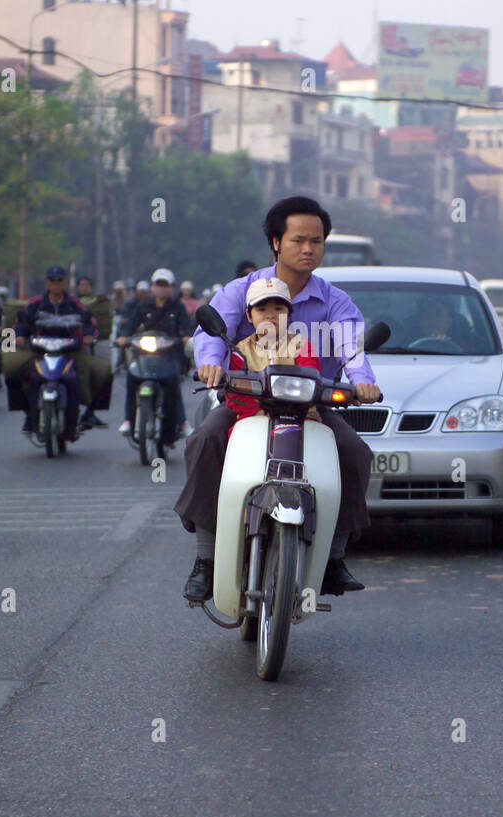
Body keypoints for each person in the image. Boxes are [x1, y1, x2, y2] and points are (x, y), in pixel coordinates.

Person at [176, 196, 380, 602]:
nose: (309, 249)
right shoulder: (243, 291)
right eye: (299, 240)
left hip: (311, 406)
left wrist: (362, 382)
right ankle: (206, 558)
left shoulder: (334, 301)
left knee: (355, 452)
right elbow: (209, 335)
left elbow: (351, 347)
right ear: (275, 242)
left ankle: (334, 556)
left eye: (317, 241)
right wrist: (212, 366)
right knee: (205, 440)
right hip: (244, 402)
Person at [224, 276, 322, 430]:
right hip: (252, 418)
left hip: (303, 417)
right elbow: (235, 392)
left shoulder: (302, 345)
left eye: (278, 309)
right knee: (216, 440)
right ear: (249, 316)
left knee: (348, 446)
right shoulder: (240, 351)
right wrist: (256, 411)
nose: (270, 315)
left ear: (289, 315)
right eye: (261, 309)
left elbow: (311, 378)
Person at [12, 266, 94, 436]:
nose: (56, 284)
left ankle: (78, 420)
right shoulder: (34, 304)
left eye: (59, 281)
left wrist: (88, 336)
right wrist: (19, 336)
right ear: (47, 283)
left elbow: (89, 323)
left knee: (79, 378)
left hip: (70, 352)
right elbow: (20, 323)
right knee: (23, 376)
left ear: (65, 283)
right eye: (52, 280)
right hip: (39, 351)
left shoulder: (75, 305)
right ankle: (30, 416)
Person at [116, 268, 192, 442]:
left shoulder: (177, 307)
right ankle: (128, 420)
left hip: (170, 354)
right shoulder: (143, 306)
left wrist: (186, 336)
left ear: (172, 288)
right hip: (144, 353)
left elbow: (187, 327)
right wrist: (124, 337)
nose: (162, 289)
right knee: (132, 377)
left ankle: (181, 422)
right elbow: (130, 325)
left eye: (166, 285)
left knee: (173, 382)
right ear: (152, 287)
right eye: (158, 285)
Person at [74, 275, 114, 428]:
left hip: (97, 343)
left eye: (87, 285)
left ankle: (90, 412)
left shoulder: (99, 303)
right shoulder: (71, 303)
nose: (84, 288)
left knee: (101, 376)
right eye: (82, 285)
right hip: (75, 346)